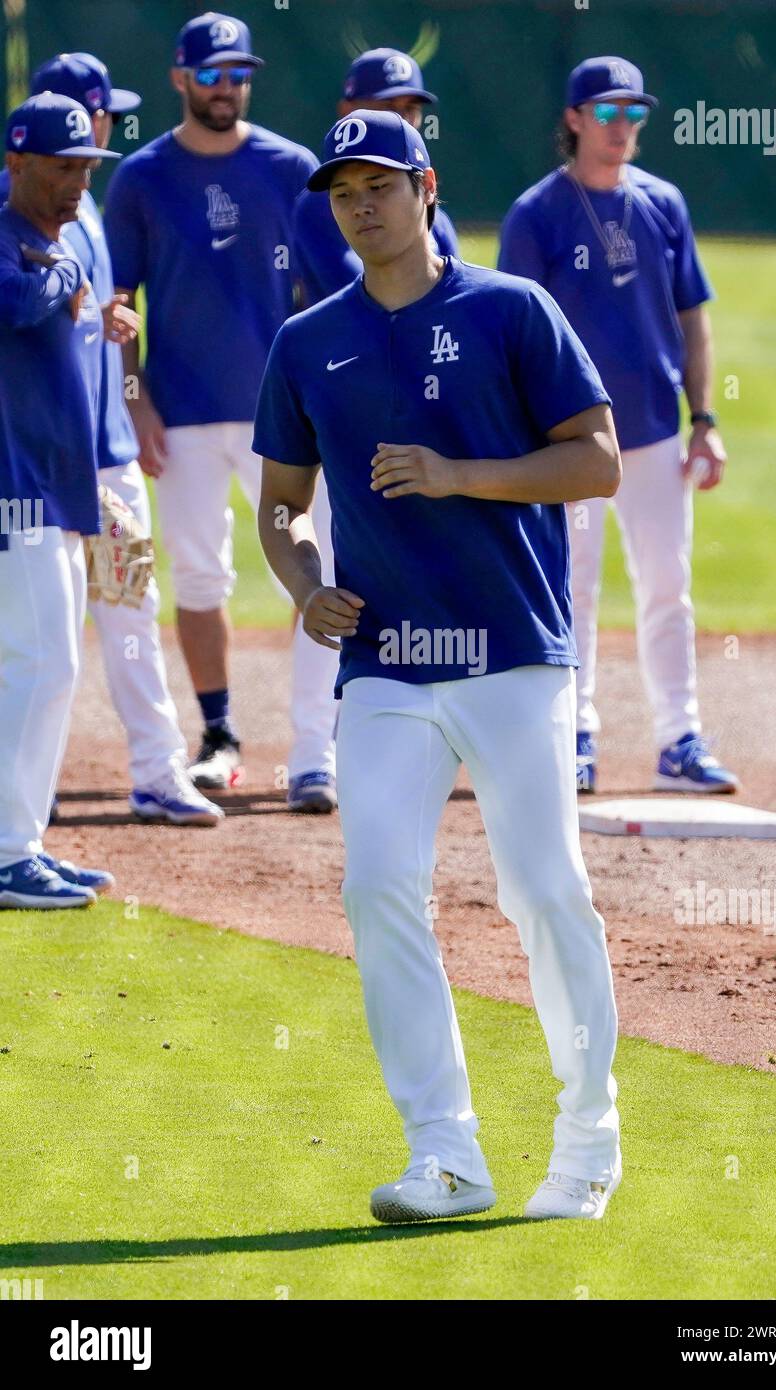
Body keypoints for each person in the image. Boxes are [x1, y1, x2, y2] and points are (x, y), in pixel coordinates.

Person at [254, 112, 623, 1223]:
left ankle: (586, 1142)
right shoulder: (307, 340)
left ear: (425, 188)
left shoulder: (511, 307)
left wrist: (457, 474)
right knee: (374, 886)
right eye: (340, 193)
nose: (358, 207)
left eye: (377, 185)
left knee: (545, 890)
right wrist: (301, 577)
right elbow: (278, 504)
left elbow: (595, 461)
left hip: (511, 649)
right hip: (381, 666)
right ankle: (446, 1153)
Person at [499, 56, 739, 795]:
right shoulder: (536, 214)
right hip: (568, 442)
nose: (623, 128)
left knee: (669, 585)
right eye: (607, 113)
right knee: (573, 590)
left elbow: (693, 321)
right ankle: (573, 734)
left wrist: (704, 419)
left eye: (633, 114)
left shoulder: (663, 203)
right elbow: (513, 334)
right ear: (573, 120)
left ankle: (679, 740)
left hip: (657, 434)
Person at [8, 52, 223, 828]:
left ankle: (155, 770)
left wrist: (130, 395)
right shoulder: (24, 208)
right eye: (100, 116)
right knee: (44, 637)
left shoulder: (82, 209)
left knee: (127, 608)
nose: (106, 131)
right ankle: (33, 794)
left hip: (106, 461)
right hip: (50, 469)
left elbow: (90, 319)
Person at [104, 11, 317, 791]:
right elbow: (119, 300)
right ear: (180, 77)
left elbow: (328, 288)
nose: (227, 88)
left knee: (310, 568)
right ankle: (219, 733)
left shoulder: (293, 167)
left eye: (239, 74)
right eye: (212, 74)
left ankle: (316, 747)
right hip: (182, 411)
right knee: (198, 578)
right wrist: (135, 401)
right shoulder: (142, 177)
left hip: (283, 413)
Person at [282, 46, 460, 814]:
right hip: (346, 420)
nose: (401, 116)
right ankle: (308, 753)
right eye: (383, 106)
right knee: (326, 580)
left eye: (410, 107)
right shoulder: (333, 205)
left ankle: (452, 734)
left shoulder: (431, 213)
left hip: (430, 433)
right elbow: (362, 298)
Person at [0, 94, 117, 908]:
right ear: (17, 162)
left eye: (84, 166)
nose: (77, 180)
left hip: (56, 483)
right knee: (40, 664)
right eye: (62, 164)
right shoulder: (14, 241)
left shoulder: (55, 240)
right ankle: (10, 853)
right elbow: (15, 304)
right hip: (15, 488)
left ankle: (24, 840)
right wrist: (69, 273)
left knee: (50, 665)